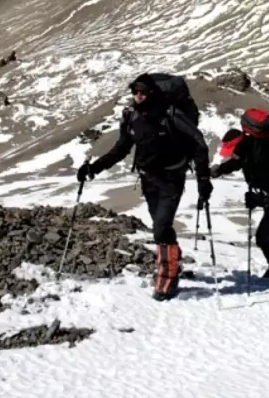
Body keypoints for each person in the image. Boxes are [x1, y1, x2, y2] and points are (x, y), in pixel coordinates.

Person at [77, 73, 211, 300]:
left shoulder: (171, 115)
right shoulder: (132, 116)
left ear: (152, 93)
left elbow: (199, 145)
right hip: (148, 178)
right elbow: (121, 148)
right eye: (135, 92)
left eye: (143, 92)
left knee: (160, 227)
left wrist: (204, 181)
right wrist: (94, 168)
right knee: (161, 226)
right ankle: (173, 261)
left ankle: (167, 280)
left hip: (171, 179)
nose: (138, 96)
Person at [209, 109, 269, 279]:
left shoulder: (260, 150)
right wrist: (218, 171)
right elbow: (235, 163)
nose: (232, 153)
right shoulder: (253, 145)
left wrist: (260, 199)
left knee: (263, 237)